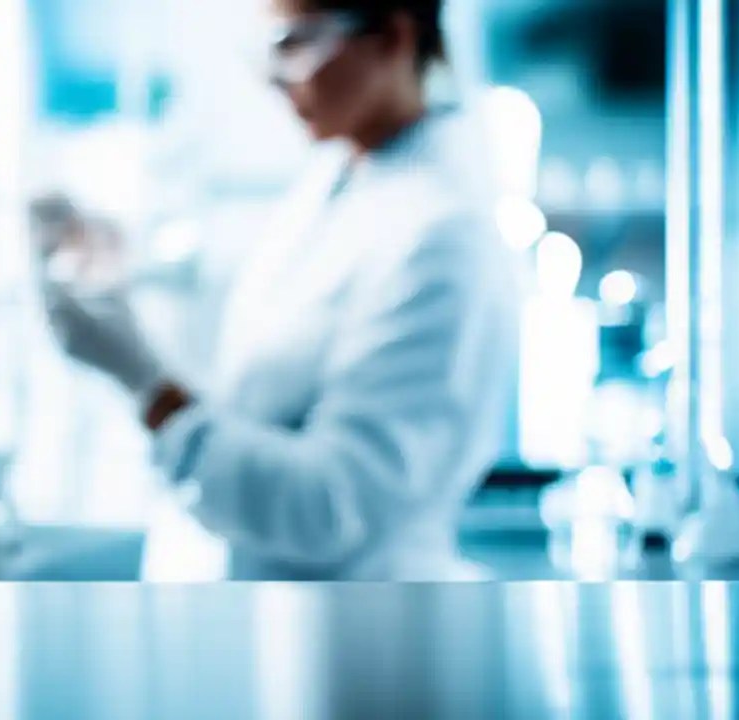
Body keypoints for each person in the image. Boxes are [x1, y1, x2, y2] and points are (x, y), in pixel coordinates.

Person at [37, 0, 521, 580]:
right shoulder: (340, 180)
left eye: (295, 45)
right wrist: (119, 275)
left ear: (394, 37)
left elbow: (329, 508)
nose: (270, 76)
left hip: (356, 638)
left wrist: (146, 384)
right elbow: (255, 400)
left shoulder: (442, 237)